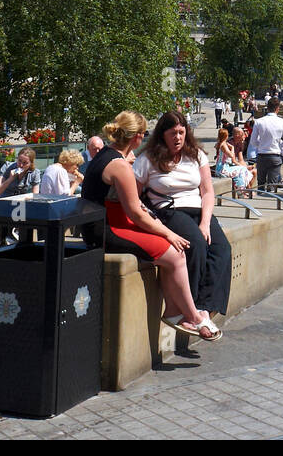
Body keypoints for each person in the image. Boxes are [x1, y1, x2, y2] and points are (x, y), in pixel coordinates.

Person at [81, 111, 221, 340]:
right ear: (137, 137)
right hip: (106, 230)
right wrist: (170, 233)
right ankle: (193, 316)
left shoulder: (109, 156)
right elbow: (136, 212)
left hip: (99, 224)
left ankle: (175, 311)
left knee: (169, 249)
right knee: (175, 253)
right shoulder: (120, 166)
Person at [135, 110, 232, 321]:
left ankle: (206, 307)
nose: (178, 138)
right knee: (194, 244)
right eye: (173, 133)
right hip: (170, 210)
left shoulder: (196, 155)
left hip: (198, 210)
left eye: (181, 132)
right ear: (162, 135)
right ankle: (190, 308)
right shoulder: (147, 160)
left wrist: (206, 222)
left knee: (221, 249)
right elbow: (135, 196)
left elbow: (207, 191)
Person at [215, 127, 254, 195]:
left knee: (241, 171)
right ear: (225, 136)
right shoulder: (223, 145)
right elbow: (230, 155)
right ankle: (242, 191)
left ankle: (242, 190)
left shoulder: (223, 143)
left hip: (224, 166)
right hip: (222, 168)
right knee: (241, 170)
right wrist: (232, 148)